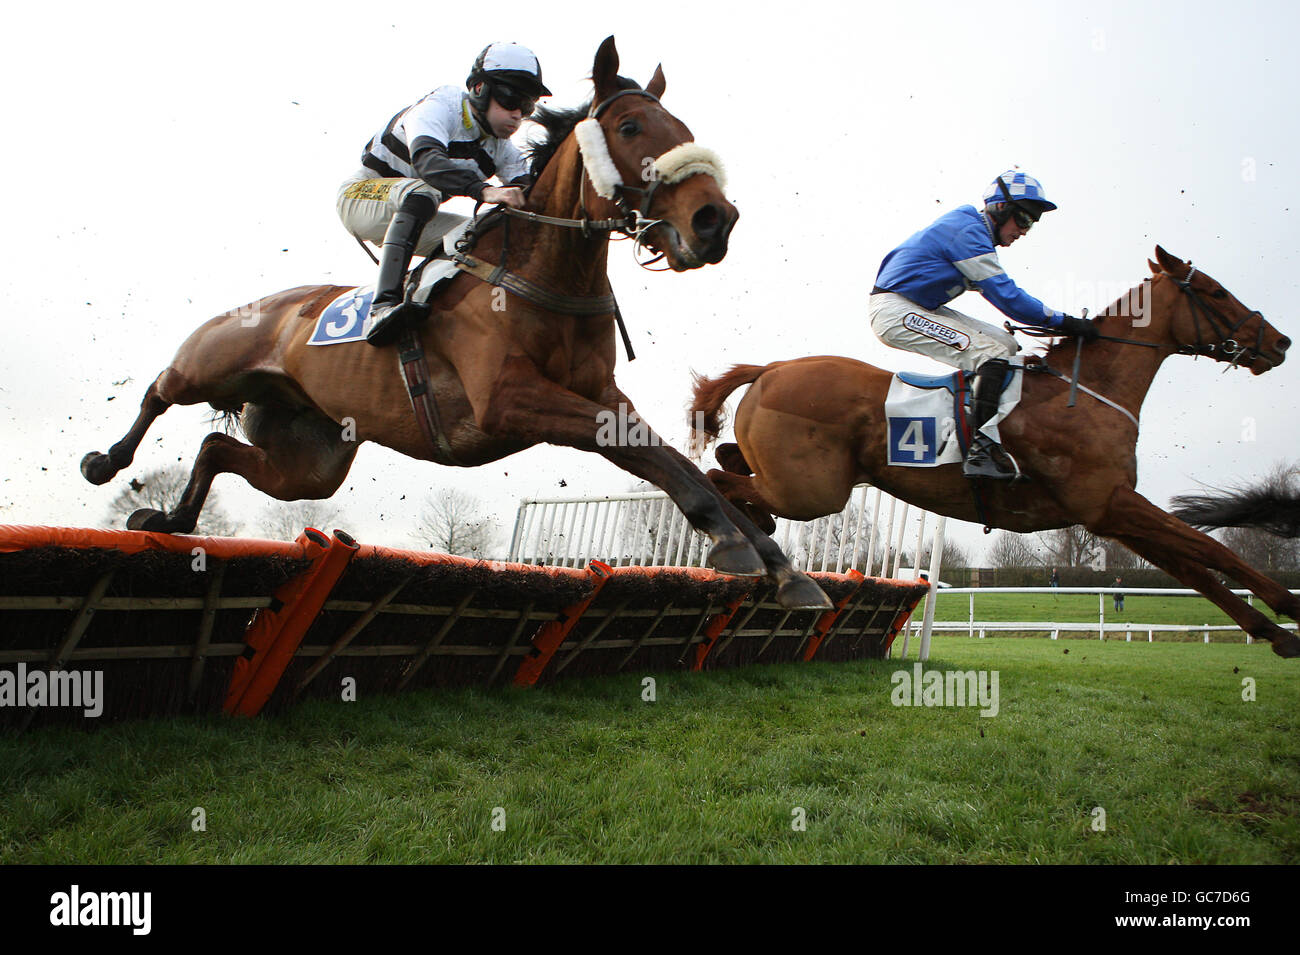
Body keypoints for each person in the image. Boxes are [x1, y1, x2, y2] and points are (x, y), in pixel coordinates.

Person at [870, 171, 1100, 480]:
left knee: (1005, 346)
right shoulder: (967, 232)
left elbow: (1010, 297)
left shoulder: (973, 232)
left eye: (1031, 224)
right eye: (1023, 221)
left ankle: (976, 421)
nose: (1025, 231)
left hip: (915, 305)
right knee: (991, 355)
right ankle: (979, 449)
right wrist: (1065, 322)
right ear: (1001, 208)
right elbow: (1010, 299)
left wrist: (1059, 323)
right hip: (894, 310)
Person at [337, 42, 552, 346]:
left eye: (527, 105)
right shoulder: (442, 105)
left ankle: (437, 310)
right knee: (423, 192)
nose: (518, 114)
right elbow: (428, 162)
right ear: (479, 88)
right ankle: (383, 306)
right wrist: (484, 190)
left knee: (485, 235)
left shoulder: (502, 148)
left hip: (412, 216)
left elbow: (538, 195)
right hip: (359, 198)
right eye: (511, 98)